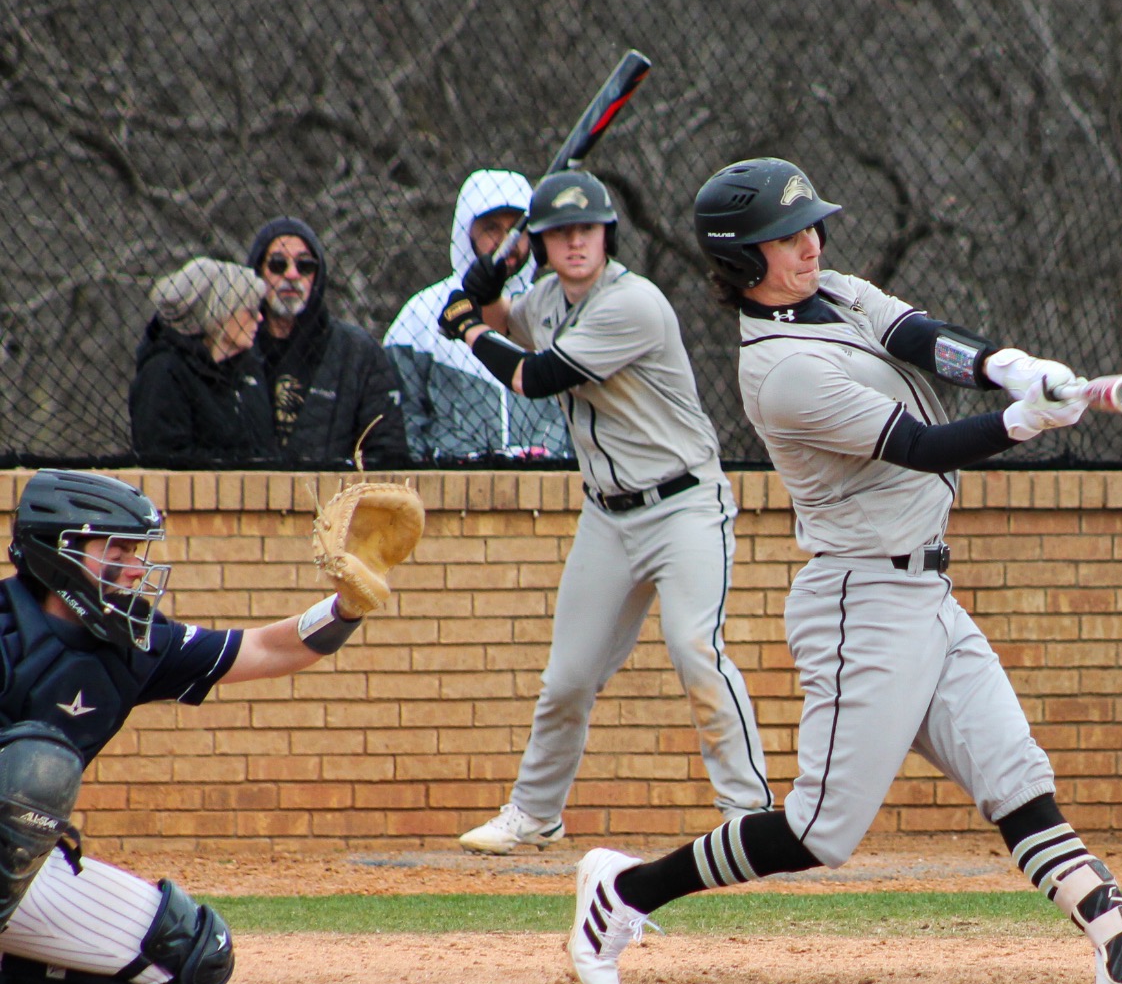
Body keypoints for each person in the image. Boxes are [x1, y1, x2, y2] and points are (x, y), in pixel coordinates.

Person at [548, 156, 1122, 984]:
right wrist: (1020, 423)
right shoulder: (779, 371)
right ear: (742, 259)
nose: (809, 244)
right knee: (817, 831)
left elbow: (918, 335)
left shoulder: (832, 289)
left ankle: (1119, 942)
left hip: (926, 595)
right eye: (785, 237)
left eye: (809, 227)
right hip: (858, 603)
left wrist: (1007, 367)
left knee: (1017, 777)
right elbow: (915, 442)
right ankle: (622, 892)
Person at [437, 170, 772, 855]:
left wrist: (467, 325)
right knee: (566, 678)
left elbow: (535, 376)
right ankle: (536, 812)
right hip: (608, 517)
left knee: (695, 650)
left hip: (683, 505)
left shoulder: (634, 303)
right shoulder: (547, 299)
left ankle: (751, 811)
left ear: (606, 235)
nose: (575, 243)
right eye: (559, 233)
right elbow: (507, 321)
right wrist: (481, 287)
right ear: (541, 246)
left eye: (585, 229)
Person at [0, 469, 394, 984]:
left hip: (15, 872)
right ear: (56, 551)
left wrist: (345, 607)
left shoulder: (136, 641)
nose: (135, 567)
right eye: (116, 549)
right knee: (35, 768)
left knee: (190, 953)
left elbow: (265, 649)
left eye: (138, 551)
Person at [384, 170, 571, 462]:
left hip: (549, 489)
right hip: (451, 493)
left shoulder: (553, 307)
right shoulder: (422, 312)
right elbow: (403, 418)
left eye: (516, 228)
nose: (506, 240)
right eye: (492, 228)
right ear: (466, 231)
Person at [244, 216, 411, 468]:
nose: (291, 274)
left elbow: (387, 449)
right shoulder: (234, 346)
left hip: (334, 501)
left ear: (317, 275)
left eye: (305, 266)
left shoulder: (357, 352)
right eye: (278, 264)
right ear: (258, 272)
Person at [128, 259, 279, 466]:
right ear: (218, 313)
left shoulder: (248, 373)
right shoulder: (164, 373)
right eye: (250, 310)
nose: (260, 318)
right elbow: (165, 458)